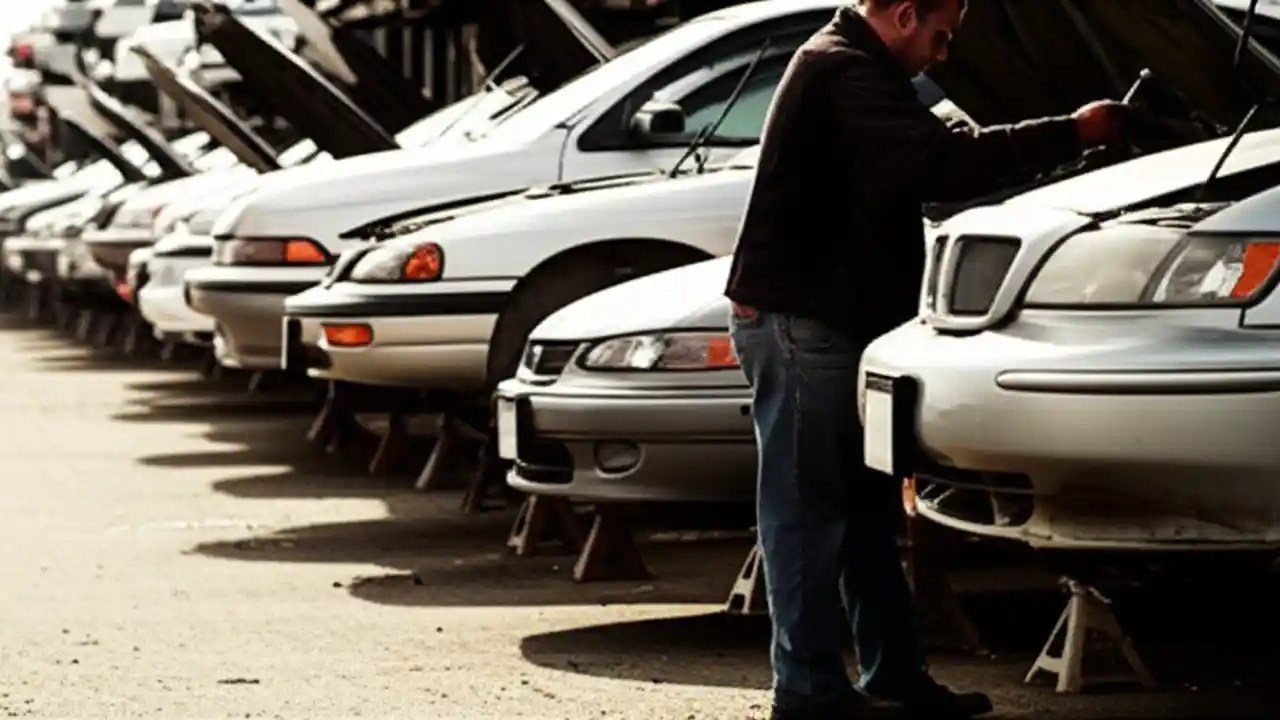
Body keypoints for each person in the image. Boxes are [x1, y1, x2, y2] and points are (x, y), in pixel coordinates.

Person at [723, 1, 1129, 719]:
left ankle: (894, 675)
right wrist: (1071, 133)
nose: (943, 54)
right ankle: (808, 690)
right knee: (810, 511)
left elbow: (926, 163)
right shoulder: (843, 70)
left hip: (835, 322)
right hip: (801, 322)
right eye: (942, 35)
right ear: (906, 13)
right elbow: (939, 166)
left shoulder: (859, 69)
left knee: (866, 514)